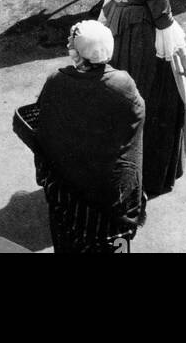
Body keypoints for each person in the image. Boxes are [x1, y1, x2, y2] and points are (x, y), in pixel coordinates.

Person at [101, 0, 186, 199]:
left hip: (116, 22)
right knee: (158, 100)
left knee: (117, 95)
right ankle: (149, 176)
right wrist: (183, 57)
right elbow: (163, 20)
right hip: (143, 35)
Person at [33, 20, 146, 254]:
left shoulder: (57, 81)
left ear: (78, 55)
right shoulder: (122, 84)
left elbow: (45, 124)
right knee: (117, 244)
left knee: (68, 241)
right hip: (113, 192)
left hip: (70, 191)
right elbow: (135, 119)